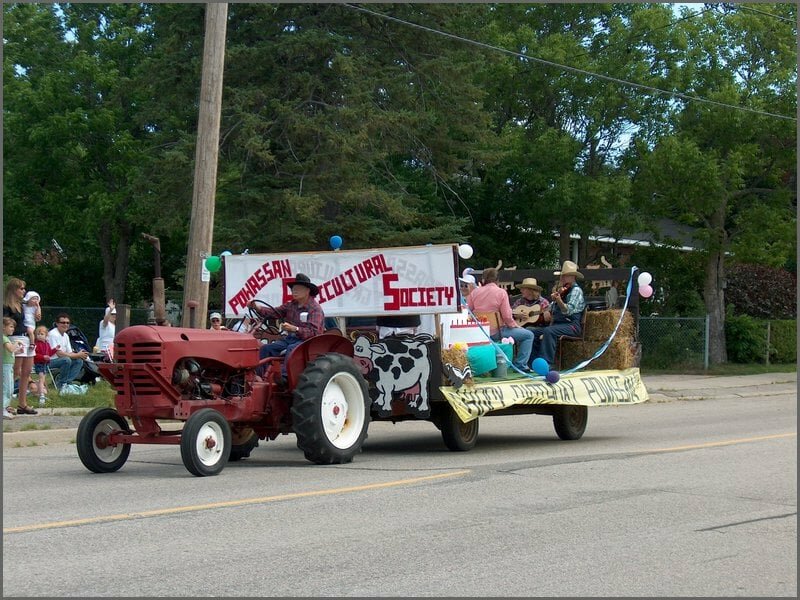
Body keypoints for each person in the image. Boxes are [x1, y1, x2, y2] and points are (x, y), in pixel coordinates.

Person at [247, 273, 325, 376]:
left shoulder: (315, 309)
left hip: (309, 342)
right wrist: (257, 307)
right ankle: (258, 376)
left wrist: (295, 329)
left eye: (298, 288)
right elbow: (274, 312)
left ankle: (285, 377)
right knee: (266, 349)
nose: (294, 291)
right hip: (291, 339)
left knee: (292, 349)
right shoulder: (291, 305)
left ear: (307, 291)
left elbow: (314, 332)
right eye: (293, 289)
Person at [467, 267, 533, 372]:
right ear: (497, 280)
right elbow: (507, 316)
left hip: (479, 332)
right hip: (497, 331)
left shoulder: (474, 293)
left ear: (483, 280)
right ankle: (520, 365)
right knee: (529, 335)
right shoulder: (501, 292)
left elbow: (468, 312)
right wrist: (514, 325)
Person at [532, 260, 587, 370]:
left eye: (564, 276)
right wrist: (547, 309)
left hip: (572, 325)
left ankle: (547, 364)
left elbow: (568, 310)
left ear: (572, 277)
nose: (561, 279)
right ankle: (532, 363)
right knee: (531, 331)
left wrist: (559, 300)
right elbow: (552, 308)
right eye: (562, 276)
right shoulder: (563, 291)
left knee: (549, 331)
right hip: (558, 325)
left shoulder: (576, 291)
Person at [3, 278, 38, 414]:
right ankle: (5, 403)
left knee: (27, 371)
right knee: (14, 371)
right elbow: (5, 322)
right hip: (15, 337)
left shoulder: (21, 306)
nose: (23, 291)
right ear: (13, 290)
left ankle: (22, 403)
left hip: (27, 337)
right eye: (21, 289)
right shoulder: (7, 307)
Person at [47, 313, 89, 391]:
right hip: (48, 361)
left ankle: (67, 383)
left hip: (60, 360)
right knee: (66, 360)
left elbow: (70, 352)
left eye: (67, 323)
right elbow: (59, 354)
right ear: (57, 324)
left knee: (79, 361)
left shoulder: (65, 336)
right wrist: (77, 355)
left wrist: (80, 355)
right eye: (63, 322)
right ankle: (61, 384)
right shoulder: (53, 334)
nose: (65, 325)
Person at [3, 317, 24, 419]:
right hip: (5, 367)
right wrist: (16, 342)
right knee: (6, 388)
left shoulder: (5, 338)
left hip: (8, 366)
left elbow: (10, 352)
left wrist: (18, 351)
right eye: (10, 327)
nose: (13, 329)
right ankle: (2, 409)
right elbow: (10, 349)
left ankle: (5, 407)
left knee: (10, 388)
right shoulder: (3, 338)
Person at [33, 325, 59, 405]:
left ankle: (40, 392)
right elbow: (35, 354)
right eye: (38, 334)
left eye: (42, 334)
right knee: (41, 379)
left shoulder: (47, 344)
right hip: (39, 363)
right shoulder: (36, 344)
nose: (39, 336)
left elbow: (49, 353)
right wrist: (43, 357)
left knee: (43, 379)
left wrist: (55, 350)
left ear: (46, 335)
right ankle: (41, 395)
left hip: (45, 364)